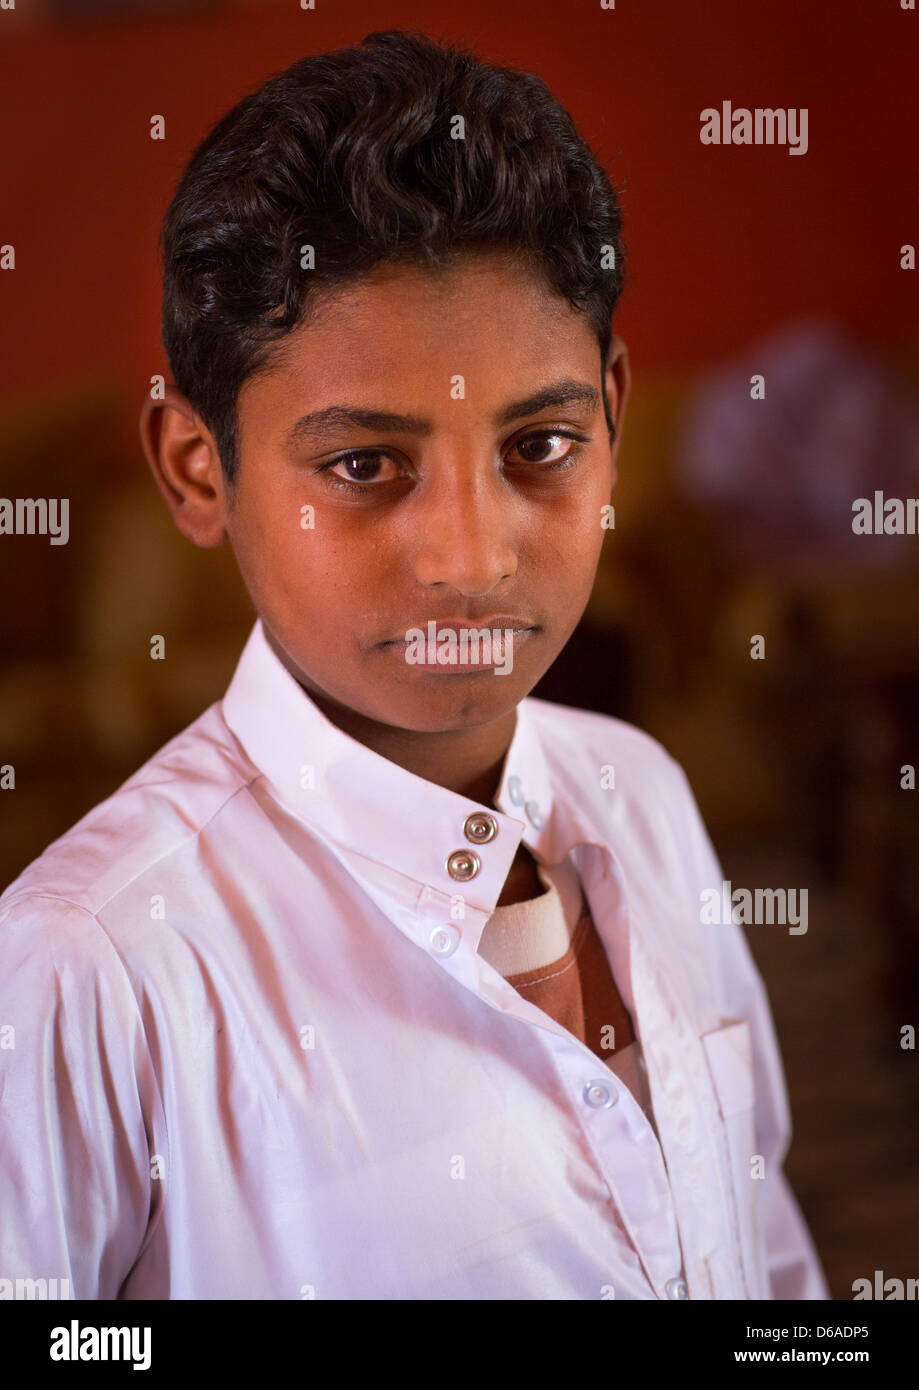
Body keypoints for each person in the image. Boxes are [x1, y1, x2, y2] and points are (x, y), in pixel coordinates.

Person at [0, 28, 828, 1300]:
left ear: (611, 417)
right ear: (195, 467)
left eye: (539, 446)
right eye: (364, 465)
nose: (469, 555)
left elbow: (755, 1243)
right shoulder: (89, 968)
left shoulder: (642, 795)